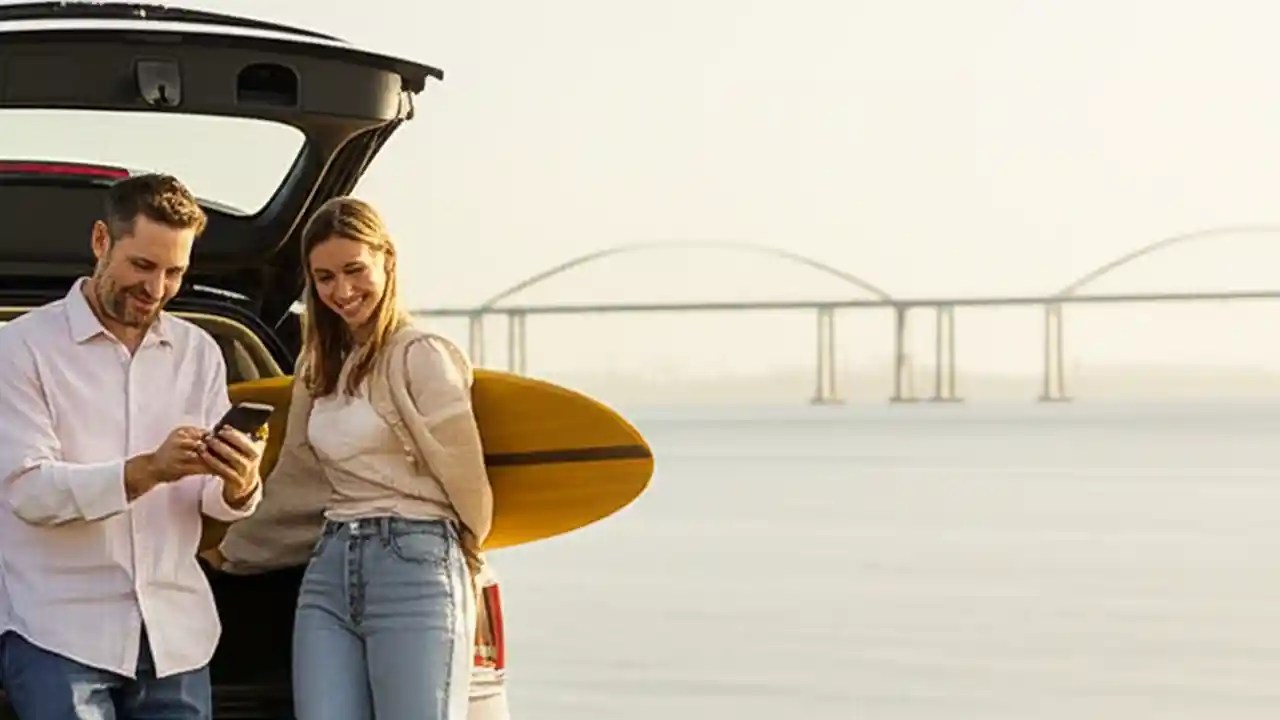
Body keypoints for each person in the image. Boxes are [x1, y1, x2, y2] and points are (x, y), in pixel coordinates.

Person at [0, 173, 266, 719]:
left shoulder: (199, 353)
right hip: (59, 635)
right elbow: (28, 490)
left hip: (177, 637)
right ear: (101, 241)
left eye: (175, 272)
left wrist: (240, 484)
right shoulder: (21, 349)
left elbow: (210, 501)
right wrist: (147, 470)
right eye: (142, 266)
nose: (157, 288)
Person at [260, 195, 492, 720]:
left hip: (416, 565)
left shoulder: (422, 354)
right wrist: (223, 553)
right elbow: (294, 480)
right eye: (323, 278)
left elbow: (468, 485)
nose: (341, 291)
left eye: (354, 270)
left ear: (387, 259)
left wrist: (468, 571)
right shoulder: (317, 365)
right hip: (328, 566)